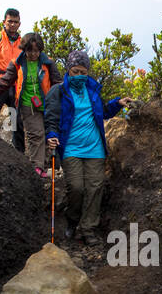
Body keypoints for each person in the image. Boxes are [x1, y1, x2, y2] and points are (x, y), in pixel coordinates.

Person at [43, 49, 134, 245]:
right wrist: (51, 136)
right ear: (68, 70)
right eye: (75, 71)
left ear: (88, 72)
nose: (79, 76)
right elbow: (51, 118)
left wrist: (117, 103)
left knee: (95, 187)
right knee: (76, 188)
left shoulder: (92, 89)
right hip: (70, 147)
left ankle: (88, 228)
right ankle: (72, 220)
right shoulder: (58, 92)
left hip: (94, 147)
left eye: (83, 72)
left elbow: (103, 112)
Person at [0, 32, 62, 173]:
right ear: (24, 49)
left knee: (48, 134)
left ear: (40, 50)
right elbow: (4, 83)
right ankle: (37, 167)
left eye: (36, 51)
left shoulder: (48, 63)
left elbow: (58, 83)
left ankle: (46, 166)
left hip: (46, 104)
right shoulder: (17, 63)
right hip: (27, 104)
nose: (33, 54)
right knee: (36, 134)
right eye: (29, 50)